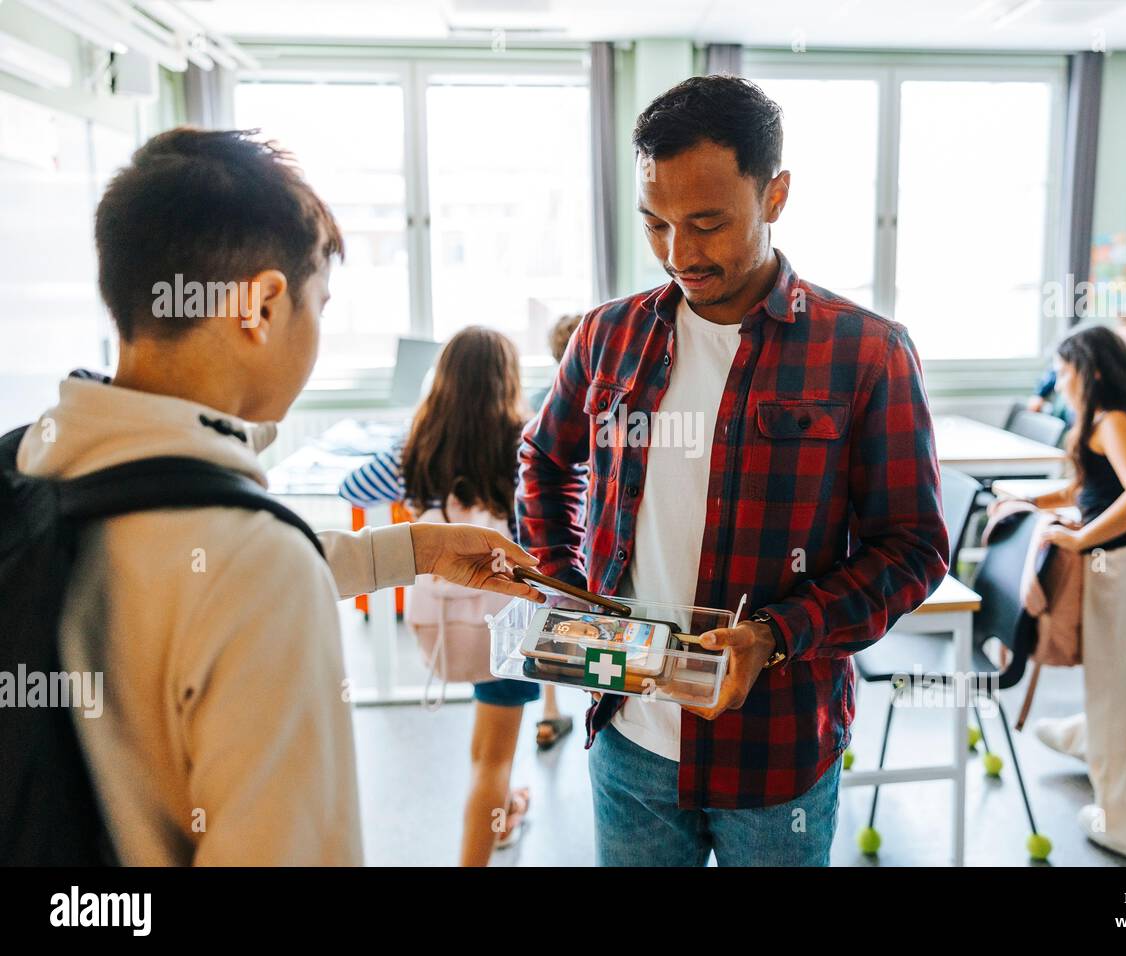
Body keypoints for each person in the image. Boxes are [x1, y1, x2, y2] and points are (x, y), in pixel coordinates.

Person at [14, 128, 540, 866]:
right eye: (320, 302)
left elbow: (181, 588)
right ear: (262, 305)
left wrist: (416, 549)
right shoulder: (253, 566)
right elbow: (238, 580)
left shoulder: (36, 464)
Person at [517, 76, 948, 867]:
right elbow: (544, 461)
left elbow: (912, 550)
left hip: (776, 751)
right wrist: (563, 592)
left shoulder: (867, 352)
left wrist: (774, 638)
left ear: (775, 194)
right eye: (656, 224)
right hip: (627, 738)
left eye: (708, 224)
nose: (680, 253)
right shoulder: (608, 336)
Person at [339, 326, 542, 864]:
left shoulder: (421, 446)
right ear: (509, 381)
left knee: (487, 751)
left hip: (445, 617)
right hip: (511, 624)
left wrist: (412, 467)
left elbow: (353, 488)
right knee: (492, 760)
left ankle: (503, 812)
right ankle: (482, 841)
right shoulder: (527, 443)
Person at [1025, 326, 1126, 867]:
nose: (1059, 380)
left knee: (1121, 691)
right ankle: (1090, 738)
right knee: (1116, 683)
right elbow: (1091, 486)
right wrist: (1031, 498)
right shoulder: (1103, 419)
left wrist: (1078, 537)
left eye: (1063, 369)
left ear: (1088, 371)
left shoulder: (1114, 419)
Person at [528, 313, 583, 749]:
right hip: (578, 530)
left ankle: (550, 708)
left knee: (547, 609)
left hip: (539, 534)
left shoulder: (535, 397)